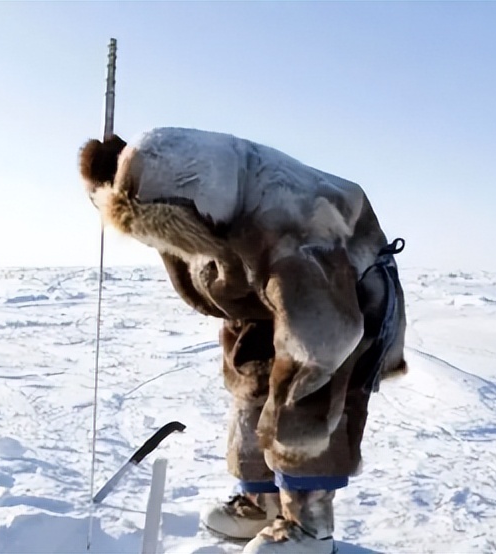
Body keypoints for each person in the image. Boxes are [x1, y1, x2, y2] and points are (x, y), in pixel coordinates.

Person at [77, 127, 408, 554]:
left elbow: (325, 336)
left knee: (305, 393)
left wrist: (290, 385)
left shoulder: (289, 226)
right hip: (266, 296)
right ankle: (261, 501)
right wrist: (107, 179)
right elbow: (196, 248)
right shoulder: (192, 194)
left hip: (340, 297)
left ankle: (308, 527)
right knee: (249, 377)